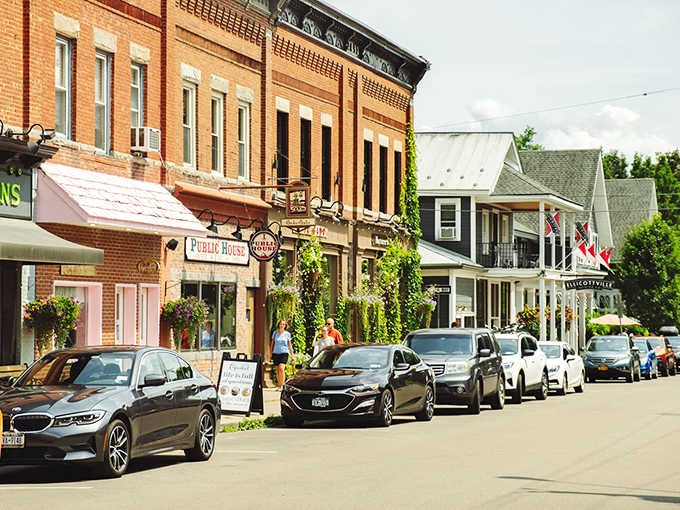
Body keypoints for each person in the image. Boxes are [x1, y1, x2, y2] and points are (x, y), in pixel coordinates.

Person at [270, 319, 294, 389]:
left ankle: (282, 386)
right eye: (281, 324)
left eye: (283, 324)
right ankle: (279, 385)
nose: (282, 325)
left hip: (284, 353)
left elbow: (290, 345)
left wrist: (292, 355)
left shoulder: (287, 334)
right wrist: (270, 353)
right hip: (276, 353)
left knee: (281, 368)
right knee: (277, 370)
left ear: (285, 326)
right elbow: (272, 344)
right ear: (279, 325)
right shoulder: (275, 333)